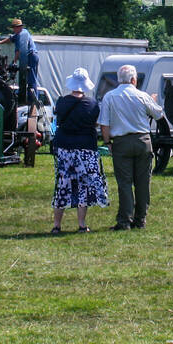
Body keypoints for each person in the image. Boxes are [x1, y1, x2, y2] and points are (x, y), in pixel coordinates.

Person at [97, 63, 165, 230]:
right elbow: (158, 114)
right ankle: (140, 219)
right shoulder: (142, 96)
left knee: (125, 183)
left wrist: (107, 143)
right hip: (142, 141)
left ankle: (125, 220)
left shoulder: (109, 97)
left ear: (119, 80)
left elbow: (104, 124)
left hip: (121, 142)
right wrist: (152, 101)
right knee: (143, 182)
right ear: (134, 79)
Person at [50, 67, 108, 234]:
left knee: (62, 184)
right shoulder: (92, 104)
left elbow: (58, 119)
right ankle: (82, 224)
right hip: (86, 147)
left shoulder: (61, 102)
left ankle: (57, 225)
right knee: (83, 186)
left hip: (65, 147)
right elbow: (95, 123)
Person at [0, 18, 40, 103]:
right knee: (29, 79)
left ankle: (33, 101)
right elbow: (10, 38)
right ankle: (30, 99)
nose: (14, 29)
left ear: (19, 27)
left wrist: (14, 62)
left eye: (15, 27)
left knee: (31, 79)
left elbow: (18, 51)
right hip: (32, 56)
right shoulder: (23, 32)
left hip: (31, 56)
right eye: (13, 27)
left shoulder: (21, 36)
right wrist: (0, 42)